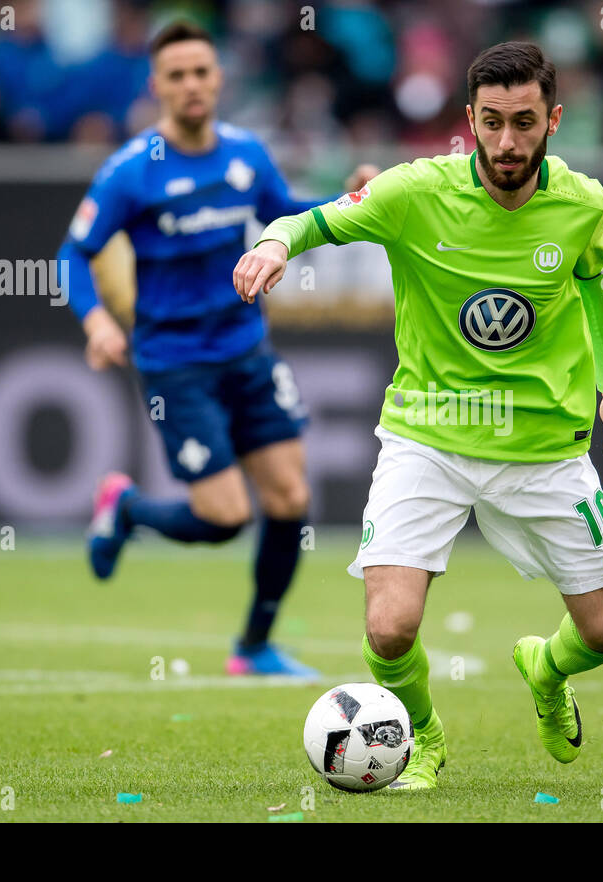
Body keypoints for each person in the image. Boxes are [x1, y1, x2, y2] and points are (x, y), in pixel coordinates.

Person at [233, 41, 603, 789]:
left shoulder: (582, 202)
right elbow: (314, 220)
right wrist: (272, 244)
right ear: (469, 120)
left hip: (543, 444)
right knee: (388, 626)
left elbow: (596, 286)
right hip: (428, 433)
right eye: (491, 122)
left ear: (552, 119)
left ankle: (545, 669)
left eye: (523, 123)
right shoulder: (417, 192)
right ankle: (421, 737)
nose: (507, 142)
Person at [57, 20, 376, 676]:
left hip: (247, 349)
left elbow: (287, 209)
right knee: (226, 516)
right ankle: (127, 508)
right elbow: (74, 253)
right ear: (158, 86)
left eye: (201, 71)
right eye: (177, 75)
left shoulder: (245, 153)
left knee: (289, 499)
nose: (192, 84)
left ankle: (254, 645)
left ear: (218, 77)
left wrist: (355, 197)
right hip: (175, 363)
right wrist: (94, 322)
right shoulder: (131, 170)